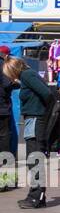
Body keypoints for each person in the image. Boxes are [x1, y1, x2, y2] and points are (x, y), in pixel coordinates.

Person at [5, 57, 56, 209]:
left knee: (35, 159)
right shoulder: (26, 76)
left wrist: (43, 116)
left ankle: (37, 196)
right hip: (32, 120)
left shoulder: (27, 75)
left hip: (36, 120)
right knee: (32, 159)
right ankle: (35, 194)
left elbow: (47, 94)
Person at [0, 59, 17, 192]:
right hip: (2, 110)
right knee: (5, 145)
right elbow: (7, 84)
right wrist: (15, 84)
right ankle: (7, 180)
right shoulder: (2, 64)